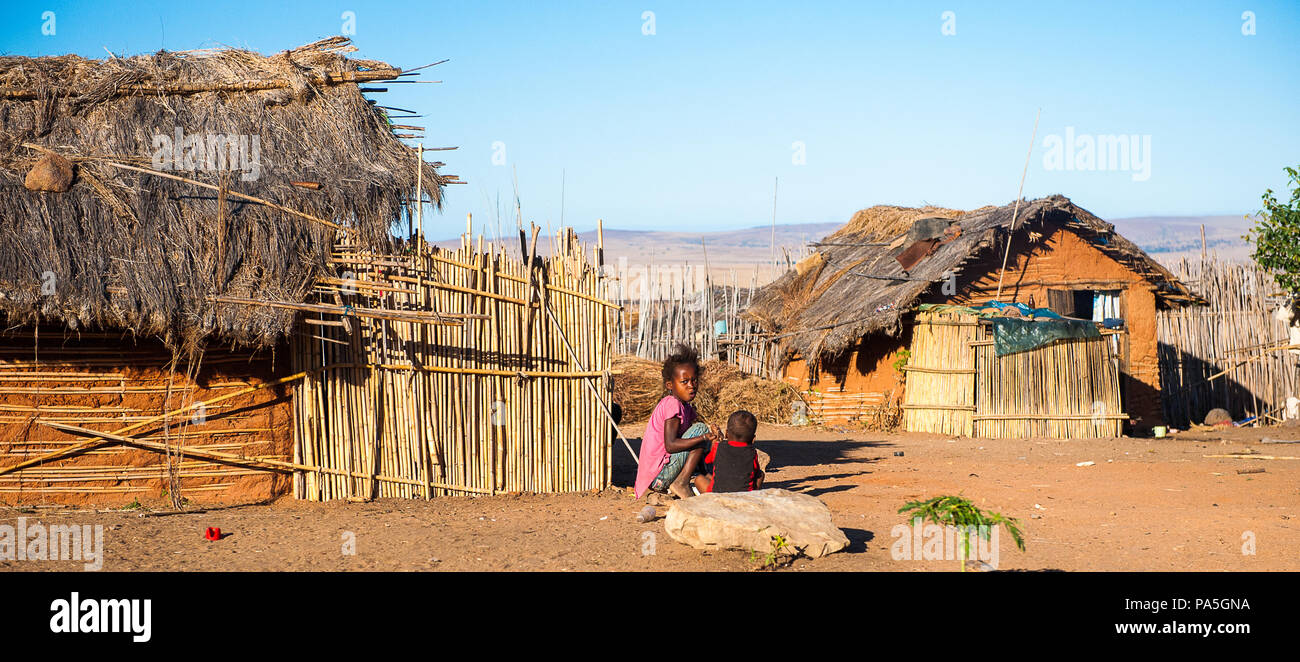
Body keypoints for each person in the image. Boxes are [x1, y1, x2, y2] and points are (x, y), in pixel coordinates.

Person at [634, 344, 719, 500]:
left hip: (662, 474)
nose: (691, 386)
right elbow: (671, 445)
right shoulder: (672, 403)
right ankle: (682, 482)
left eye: (694, 380)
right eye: (684, 382)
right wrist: (704, 437)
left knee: (702, 436)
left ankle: (697, 477)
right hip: (658, 476)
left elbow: (695, 447)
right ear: (670, 385)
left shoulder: (685, 407)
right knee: (700, 430)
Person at [704, 410, 764, 493]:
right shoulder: (752, 453)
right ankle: (754, 494)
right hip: (743, 496)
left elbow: (708, 460)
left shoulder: (718, 447)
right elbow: (755, 471)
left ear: (726, 434)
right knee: (761, 474)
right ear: (753, 439)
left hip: (717, 494)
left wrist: (715, 442)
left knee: (700, 479)